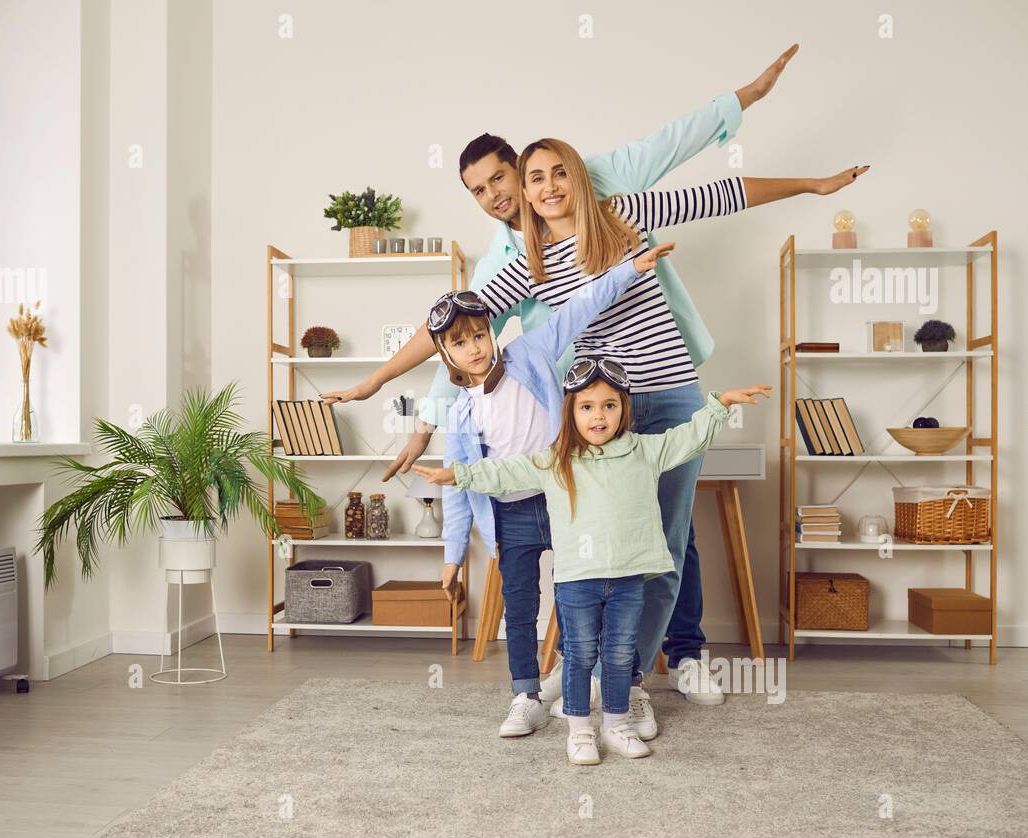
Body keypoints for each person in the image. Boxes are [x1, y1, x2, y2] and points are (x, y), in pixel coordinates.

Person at [328, 134, 868, 716]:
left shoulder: (622, 219)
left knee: (664, 542)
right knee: (608, 544)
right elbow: (451, 326)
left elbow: (724, 193)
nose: (549, 187)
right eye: (537, 180)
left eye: (558, 173)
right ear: (526, 193)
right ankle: (586, 668)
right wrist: (376, 380)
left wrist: (812, 186)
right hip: (597, 412)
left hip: (671, 396)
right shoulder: (527, 266)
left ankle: (636, 679)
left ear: (576, 176)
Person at [417, 363, 771, 765]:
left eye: (608, 406)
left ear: (624, 409)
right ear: (571, 413)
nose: (598, 416)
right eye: (586, 407)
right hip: (576, 583)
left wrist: (719, 405)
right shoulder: (555, 460)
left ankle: (616, 725)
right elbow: (503, 470)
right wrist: (458, 474)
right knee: (580, 656)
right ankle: (580, 732)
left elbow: (687, 438)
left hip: (628, 580)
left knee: (621, 657)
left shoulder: (644, 451)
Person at [426, 249, 668, 738]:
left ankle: (607, 682)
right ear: (445, 355)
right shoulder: (460, 415)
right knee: (519, 605)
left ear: (491, 331)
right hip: (509, 513)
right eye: (460, 342)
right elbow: (458, 486)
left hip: (565, 500)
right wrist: (452, 557)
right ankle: (526, 695)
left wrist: (628, 270)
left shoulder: (530, 353)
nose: (473, 347)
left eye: (478, 334)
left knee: (588, 591)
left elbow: (579, 307)